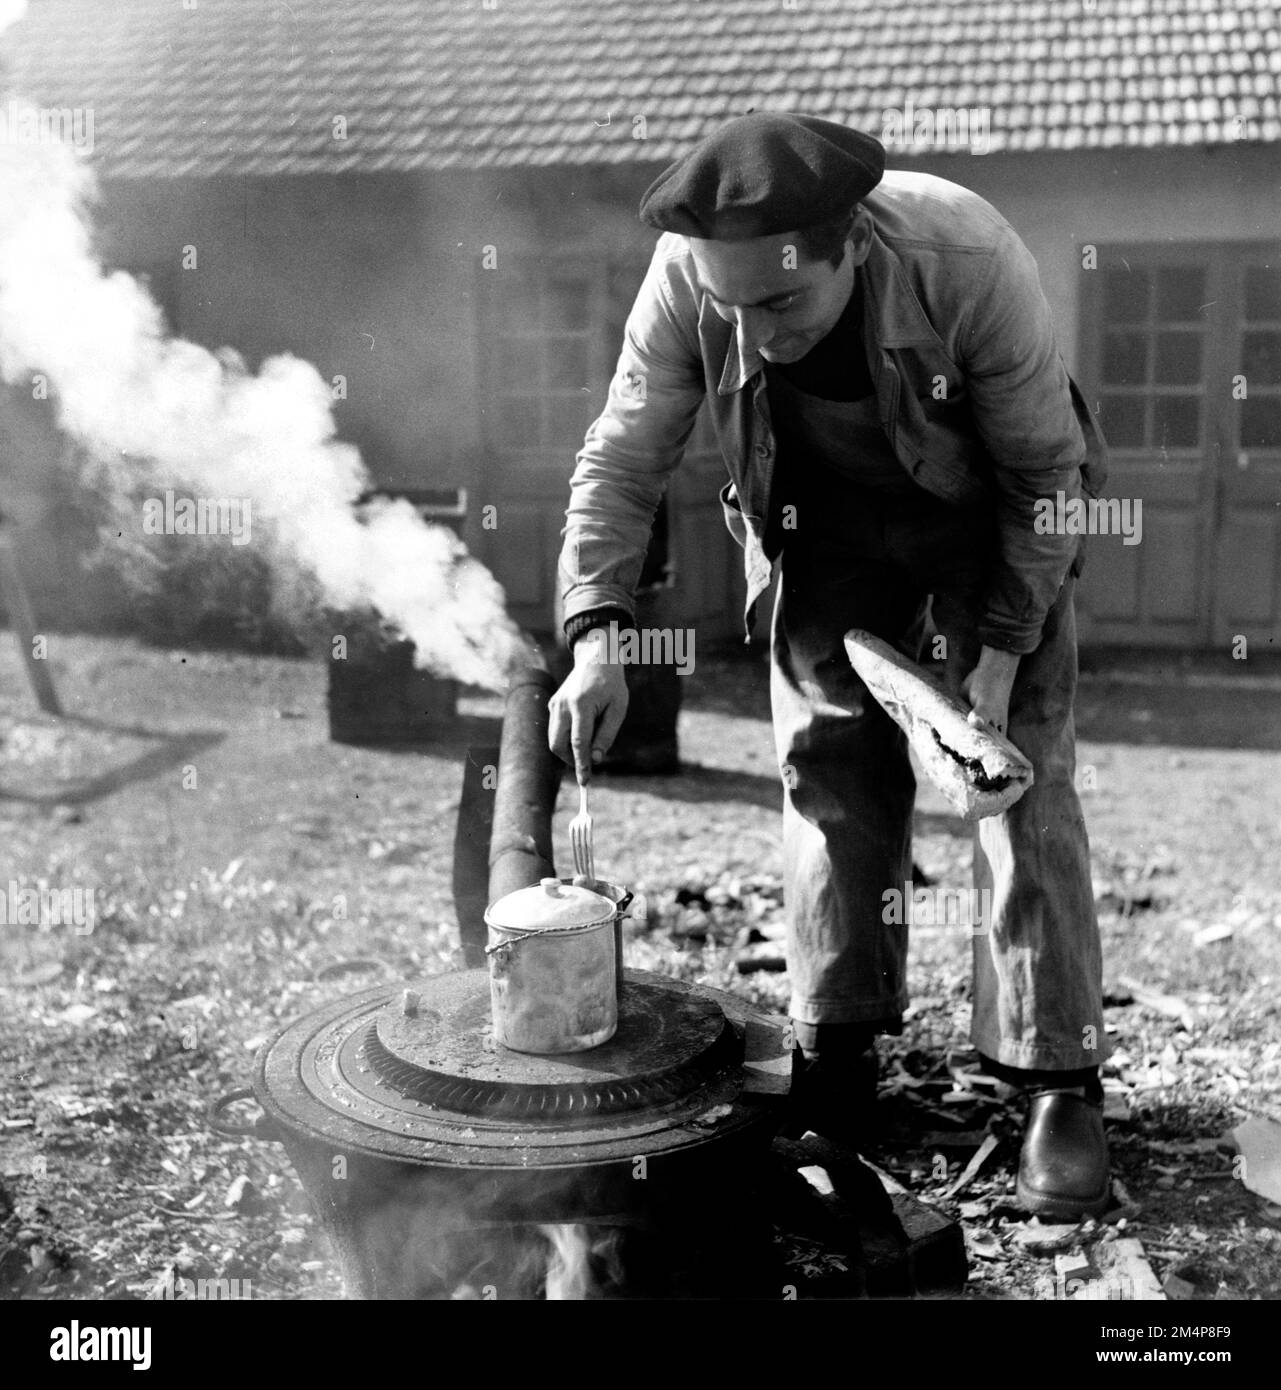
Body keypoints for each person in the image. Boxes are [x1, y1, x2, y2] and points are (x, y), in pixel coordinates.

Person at [547, 112, 1111, 1218]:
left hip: (986, 525)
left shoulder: (965, 256)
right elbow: (621, 454)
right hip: (821, 535)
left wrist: (997, 660)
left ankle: (1057, 1082)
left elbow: (1046, 476)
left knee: (1018, 788)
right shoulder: (687, 276)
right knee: (828, 773)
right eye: (729, 306)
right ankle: (840, 1049)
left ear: (851, 243)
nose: (750, 337)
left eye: (781, 303)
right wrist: (596, 632)